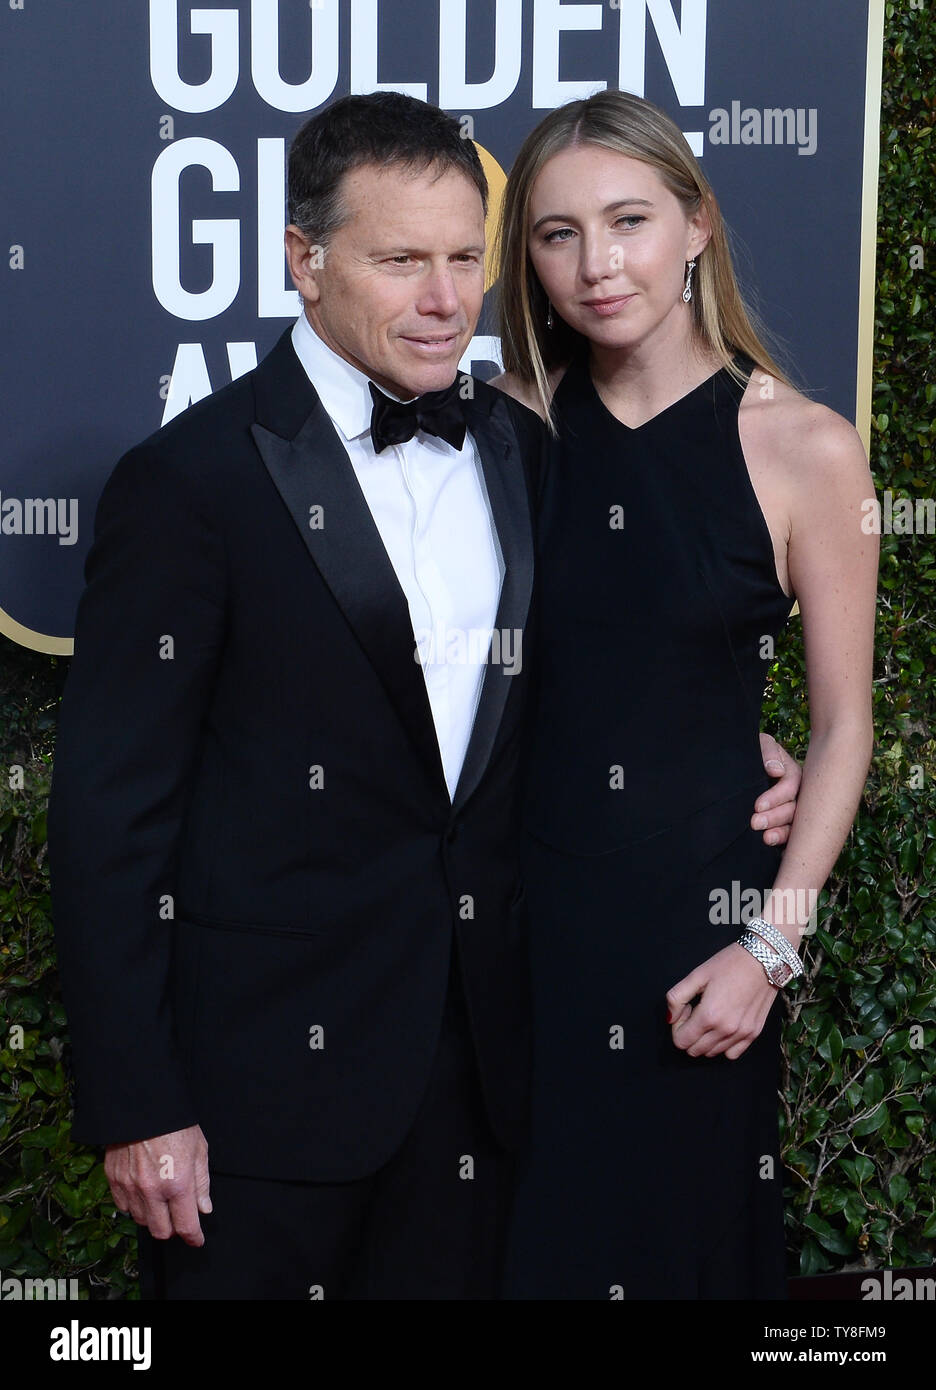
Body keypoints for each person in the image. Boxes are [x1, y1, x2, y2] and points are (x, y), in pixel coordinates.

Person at [47, 90, 800, 1302]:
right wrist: (138, 1104)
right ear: (303, 260)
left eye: (464, 259)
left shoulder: (521, 446)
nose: (446, 301)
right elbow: (104, 817)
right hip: (259, 1106)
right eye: (401, 261)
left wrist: (732, 751)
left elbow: (618, 662)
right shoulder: (187, 483)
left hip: (493, 1084)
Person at [489, 89, 878, 1299]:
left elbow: (846, 723)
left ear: (697, 224)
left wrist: (770, 948)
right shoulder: (503, 427)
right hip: (510, 928)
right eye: (558, 234)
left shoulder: (807, 447)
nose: (598, 265)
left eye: (629, 220)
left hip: (694, 937)